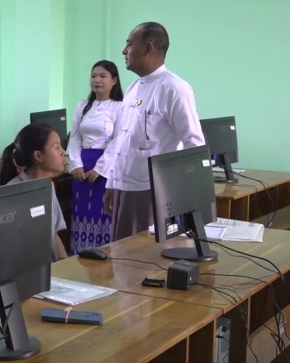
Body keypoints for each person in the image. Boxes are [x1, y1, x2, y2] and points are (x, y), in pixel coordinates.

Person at [96, 22, 205, 241]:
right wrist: (111, 183)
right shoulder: (133, 87)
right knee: (122, 257)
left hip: (151, 191)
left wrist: (181, 198)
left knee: (143, 261)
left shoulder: (174, 88)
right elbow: (122, 140)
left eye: (129, 44)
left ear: (148, 48)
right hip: (124, 187)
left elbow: (195, 145)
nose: (123, 51)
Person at [68, 60, 124, 253]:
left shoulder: (120, 107)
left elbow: (118, 141)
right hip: (82, 166)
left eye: (102, 76)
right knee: (81, 213)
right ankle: (79, 254)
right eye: (93, 76)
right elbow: (74, 136)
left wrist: (100, 169)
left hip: (106, 167)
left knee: (103, 214)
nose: (96, 80)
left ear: (114, 80)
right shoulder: (82, 106)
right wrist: (75, 164)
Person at [0, 123, 68, 261]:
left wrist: (65, 263)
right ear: (38, 155)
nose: (63, 151)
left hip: (50, 272)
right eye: (56, 147)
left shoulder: (48, 186)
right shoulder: (13, 191)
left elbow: (53, 232)